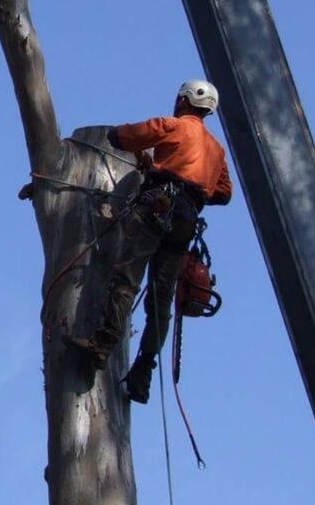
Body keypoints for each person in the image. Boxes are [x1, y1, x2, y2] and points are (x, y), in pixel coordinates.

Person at [73, 78, 233, 403]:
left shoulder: (172, 126)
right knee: (161, 302)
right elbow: (224, 193)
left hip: (156, 205)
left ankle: (103, 343)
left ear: (184, 100)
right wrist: (194, 184)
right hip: (186, 221)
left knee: (126, 276)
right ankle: (143, 371)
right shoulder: (216, 149)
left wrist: (161, 166)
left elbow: (120, 136)